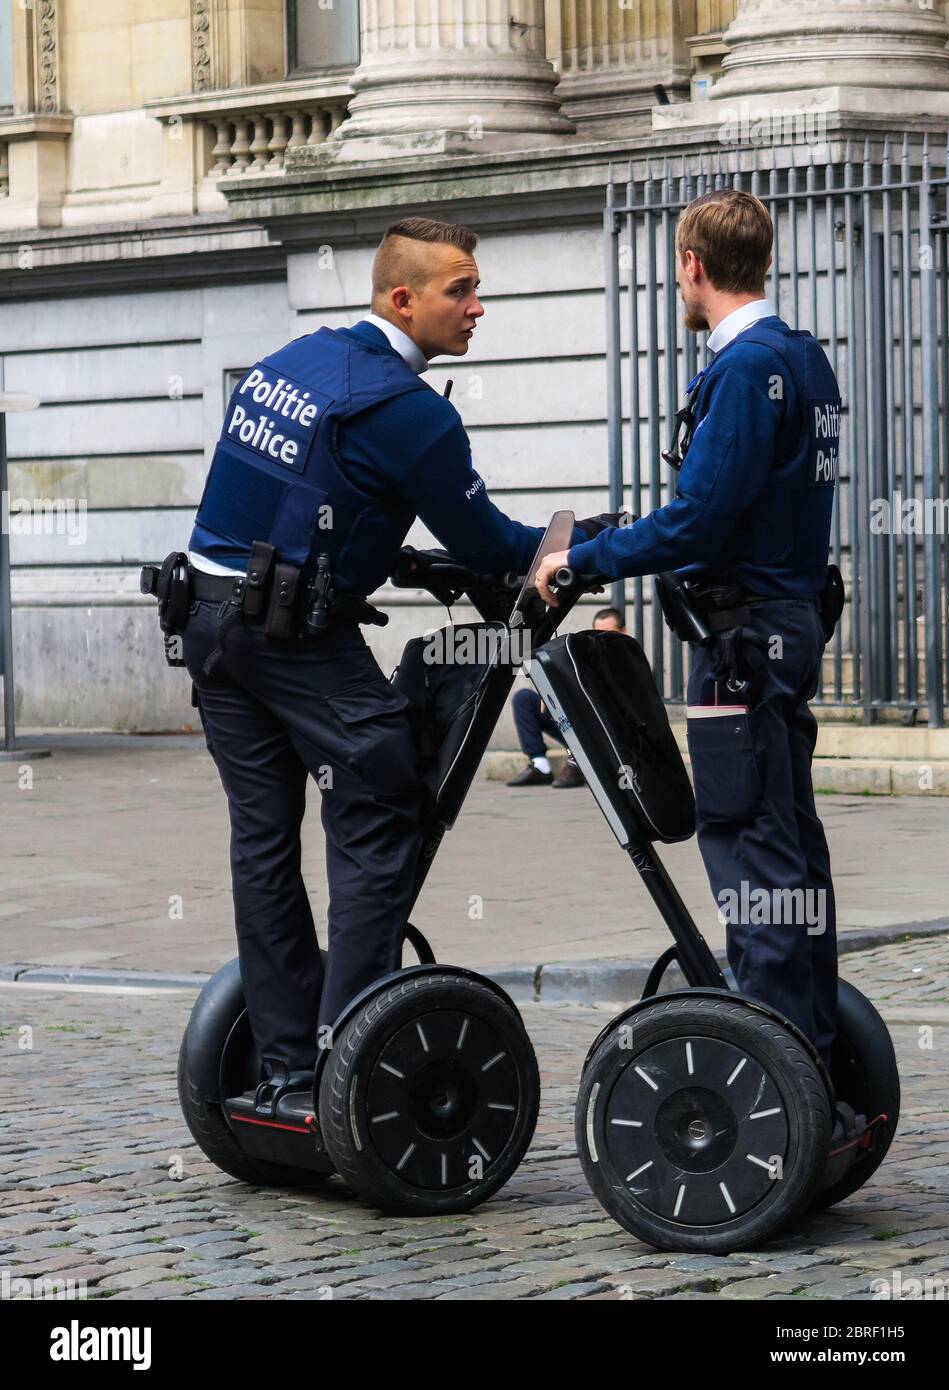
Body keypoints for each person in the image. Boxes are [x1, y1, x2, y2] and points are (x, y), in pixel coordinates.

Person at [178, 217, 603, 1104]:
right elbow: (494, 543)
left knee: (261, 843)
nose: (478, 307)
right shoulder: (409, 411)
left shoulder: (296, 359)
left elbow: (300, 495)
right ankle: (346, 1059)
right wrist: (595, 542)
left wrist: (386, 556)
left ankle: (289, 1065)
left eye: (477, 287)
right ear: (401, 299)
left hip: (207, 620)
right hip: (293, 640)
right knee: (379, 810)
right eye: (460, 290)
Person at [534, 190, 842, 1080]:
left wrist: (581, 565)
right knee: (790, 845)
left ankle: (784, 1070)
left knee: (750, 845)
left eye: (678, 265)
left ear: (692, 267)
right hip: (784, 626)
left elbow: (699, 520)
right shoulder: (802, 359)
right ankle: (812, 1048)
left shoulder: (744, 370)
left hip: (741, 646)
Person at [507, 606, 627, 788]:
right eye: (596, 634)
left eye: (608, 634)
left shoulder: (630, 663)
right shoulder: (585, 656)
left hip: (602, 731)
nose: (601, 639)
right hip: (571, 722)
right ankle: (540, 765)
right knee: (524, 698)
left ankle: (578, 762)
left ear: (623, 633)